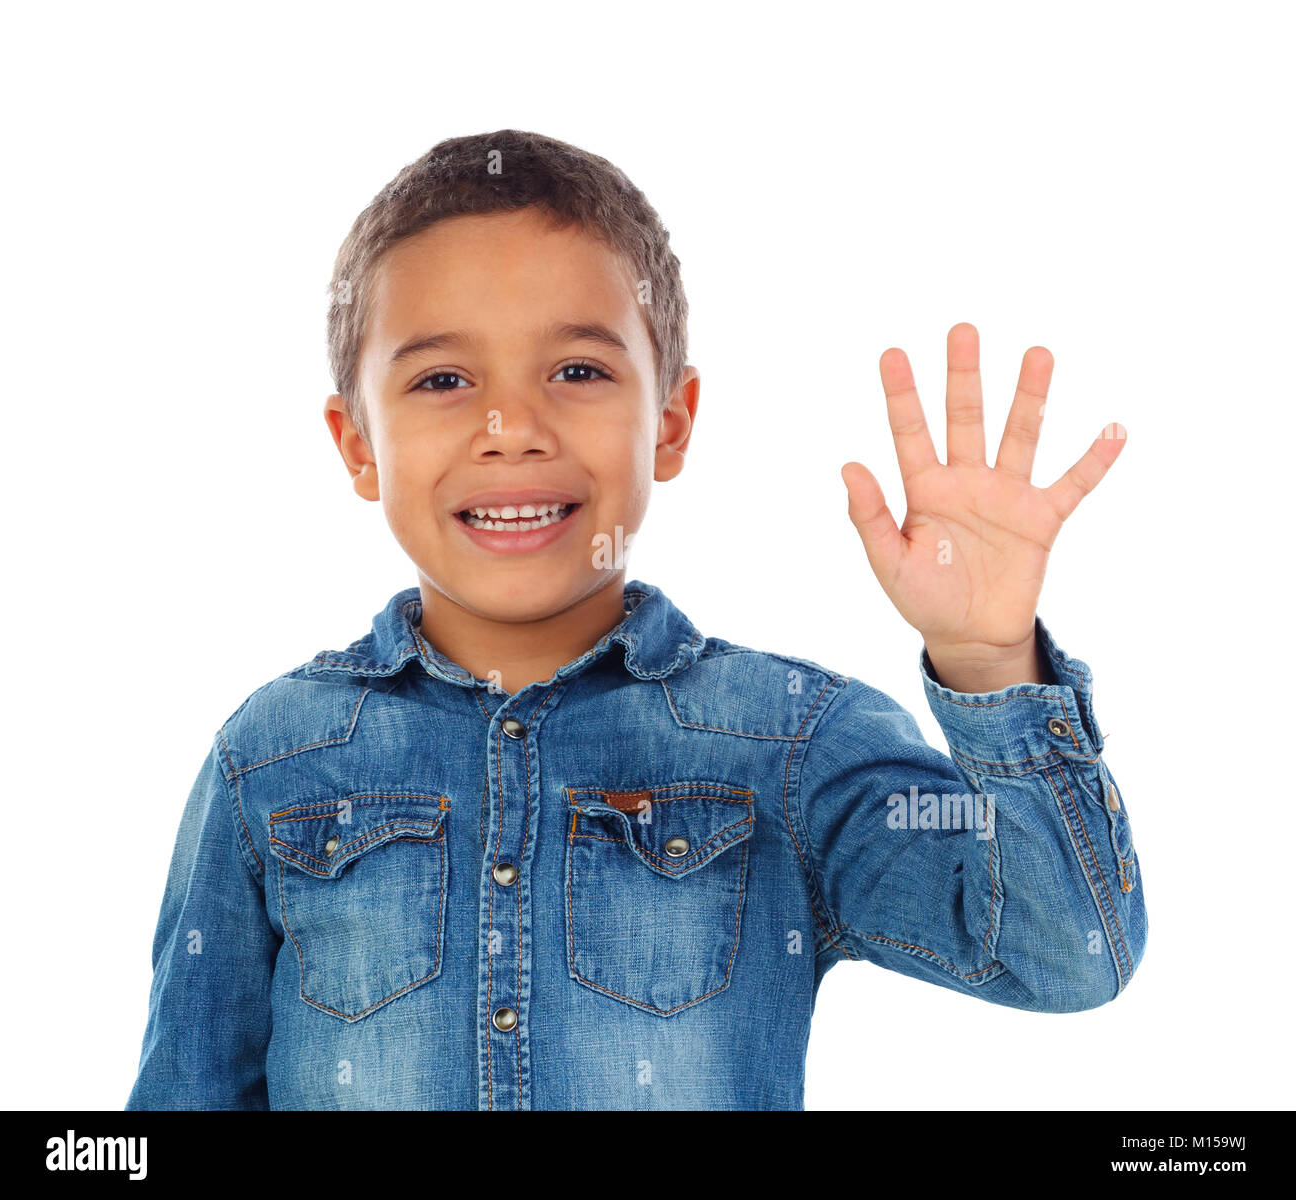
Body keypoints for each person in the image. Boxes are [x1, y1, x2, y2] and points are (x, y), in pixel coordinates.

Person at [125, 128, 1145, 1111]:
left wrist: (986, 661)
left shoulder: (787, 744)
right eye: (443, 379)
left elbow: (1065, 955)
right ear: (357, 445)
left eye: (577, 372)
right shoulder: (270, 759)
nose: (511, 429)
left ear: (671, 422)